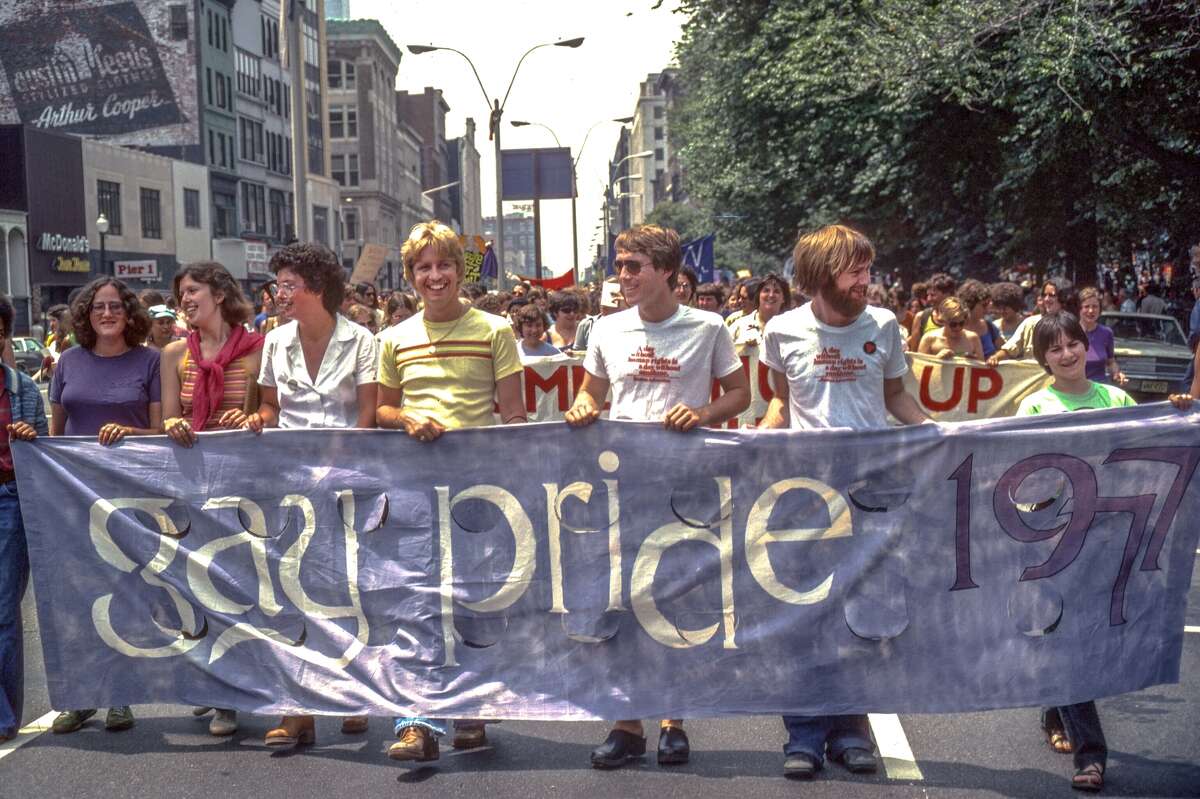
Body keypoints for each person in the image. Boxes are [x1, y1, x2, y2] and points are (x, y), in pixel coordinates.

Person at [565, 224, 750, 770]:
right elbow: (590, 393)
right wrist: (582, 408)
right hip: (620, 484)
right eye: (619, 265)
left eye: (633, 266)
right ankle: (626, 724)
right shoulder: (605, 329)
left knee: (674, 600)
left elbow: (741, 394)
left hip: (684, 484)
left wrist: (703, 413)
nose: (622, 276)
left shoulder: (708, 326)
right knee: (619, 601)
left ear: (667, 271)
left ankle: (673, 718)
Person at [758, 224, 928, 781]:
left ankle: (851, 731)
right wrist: (754, 443)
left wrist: (938, 433)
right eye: (855, 270)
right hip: (806, 499)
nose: (866, 280)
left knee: (859, 614)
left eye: (867, 269)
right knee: (805, 615)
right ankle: (804, 734)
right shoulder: (781, 331)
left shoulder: (884, 324)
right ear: (821, 275)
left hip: (872, 496)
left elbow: (896, 396)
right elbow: (780, 406)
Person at [376, 221, 526, 763]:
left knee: (475, 600)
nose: (433, 276)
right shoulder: (391, 338)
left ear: (458, 270)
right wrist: (406, 417)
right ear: (411, 275)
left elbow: (514, 414)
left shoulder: (495, 331)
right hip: (414, 487)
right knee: (416, 600)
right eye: (423, 268)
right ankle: (415, 721)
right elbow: (381, 411)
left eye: (443, 265)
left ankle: (472, 709)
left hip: (479, 489)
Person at [244, 243, 379, 749]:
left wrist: (334, 465)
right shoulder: (275, 343)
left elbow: (366, 417)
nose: (279, 294)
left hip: (347, 483)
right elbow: (270, 408)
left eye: (287, 285)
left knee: (350, 591)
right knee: (289, 592)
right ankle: (297, 708)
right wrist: (255, 421)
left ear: (317, 289)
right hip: (290, 486)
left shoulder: (362, 340)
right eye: (278, 285)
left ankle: (355, 696)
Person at [47, 277, 162, 735]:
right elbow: (56, 435)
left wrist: (130, 434)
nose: (108, 313)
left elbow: (160, 432)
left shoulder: (149, 361)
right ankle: (80, 697)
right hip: (74, 495)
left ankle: (120, 695)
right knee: (76, 596)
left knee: (122, 594)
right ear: (86, 314)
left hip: (128, 495)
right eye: (98, 307)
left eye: (116, 306)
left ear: (129, 313)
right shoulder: (69, 361)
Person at [158, 263, 264, 736]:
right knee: (195, 589)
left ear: (220, 293)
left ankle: (239, 690)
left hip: (244, 486)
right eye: (181, 292)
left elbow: (267, 408)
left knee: (240, 591)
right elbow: (165, 417)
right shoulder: (173, 353)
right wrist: (172, 425)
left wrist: (255, 417)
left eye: (193, 290)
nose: (184, 299)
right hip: (191, 486)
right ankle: (217, 689)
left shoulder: (258, 350)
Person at [0, 293, 49, 745]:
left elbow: (47, 461)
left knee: (3, 610)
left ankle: (3, 718)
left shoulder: (24, 390)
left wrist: (30, 438)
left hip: (9, 501)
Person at [987, 278, 1074, 366]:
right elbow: (1009, 349)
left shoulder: (1074, 325)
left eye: (1051, 295)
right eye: (1044, 295)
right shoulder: (1030, 323)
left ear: (1063, 297)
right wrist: (995, 358)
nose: (1046, 299)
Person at [730, 273, 791, 354]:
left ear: (784, 298)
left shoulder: (791, 328)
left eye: (777, 291)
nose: (771, 295)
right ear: (758, 295)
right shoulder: (739, 326)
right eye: (766, 290)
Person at [1077, 287, 1125, 386]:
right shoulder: (1070, 333)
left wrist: (1117, 373)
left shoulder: (1106, 333)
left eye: (1095, 306)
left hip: (1100, 389)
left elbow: (1111, 362)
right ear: (1080, 309)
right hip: (1076, 389)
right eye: (1086, 306)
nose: (1091, 311)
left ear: (1100, 309)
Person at [918, 297, 984, 360]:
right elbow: (919, 366)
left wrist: (973, 361)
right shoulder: (929, 338)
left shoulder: (973, 338)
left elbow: (982, 366)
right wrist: (937, 359)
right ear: (943, 321)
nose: (958, 328)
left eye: (961, 323)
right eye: (953, 324)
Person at [907, 272, 957, 350]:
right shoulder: (922, 317)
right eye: (928, 295)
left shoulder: (960, 319)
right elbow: (914, 352)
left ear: (948, 294)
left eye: (933, 295)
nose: (929, 299)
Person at [957, 279, 1001, 358]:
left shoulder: (989, 326)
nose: (987, 309)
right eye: (984, 305)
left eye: (988, 304)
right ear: (969, 304)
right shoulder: (954, 327)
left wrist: (995, 357)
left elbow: (1004, 350)